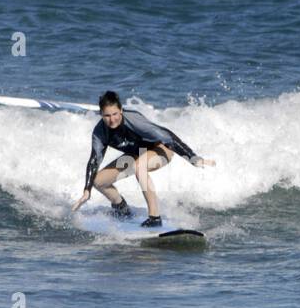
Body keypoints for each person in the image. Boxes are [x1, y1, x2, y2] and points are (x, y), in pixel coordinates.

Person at [72, 90, 215, 228]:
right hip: (136, 155)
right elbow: (94, 160)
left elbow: (167, 136)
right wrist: (87, 190)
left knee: (140, 166)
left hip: (160, 149)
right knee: (98, 181)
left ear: (121, 110)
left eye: (115, 114)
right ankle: (121, 208)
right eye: (107, 115)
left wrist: (193, 158)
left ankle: (154, 217)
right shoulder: (100, 132)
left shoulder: (134, 121)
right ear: (101, 114)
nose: (112, 119)